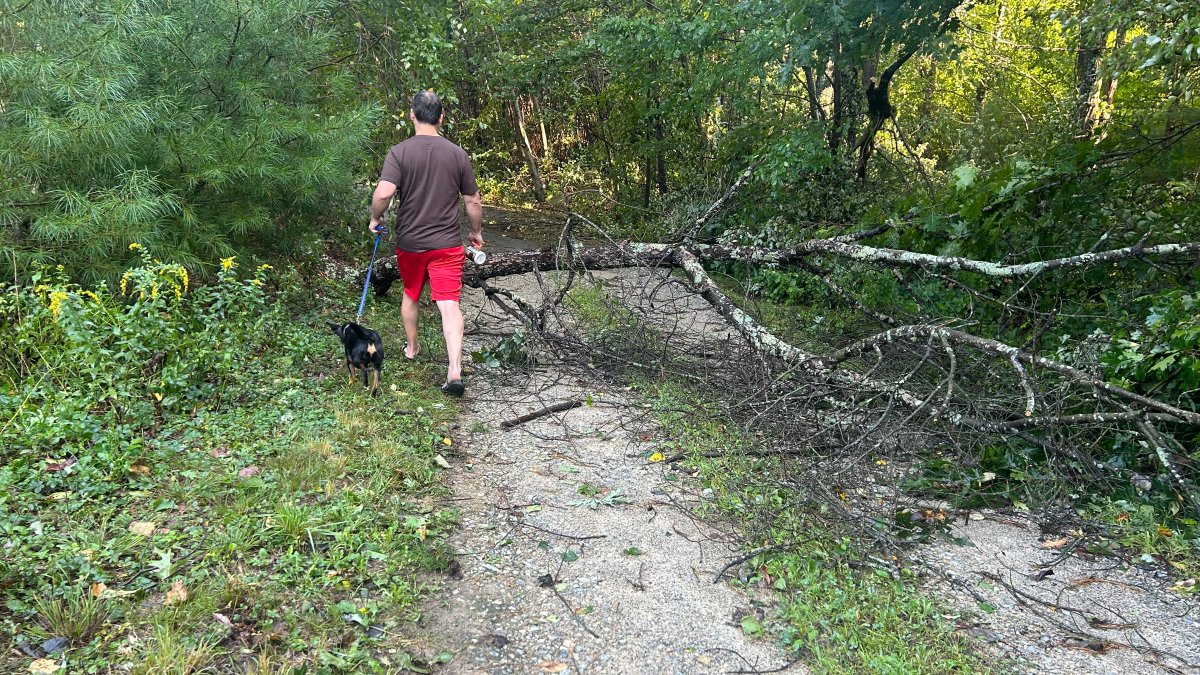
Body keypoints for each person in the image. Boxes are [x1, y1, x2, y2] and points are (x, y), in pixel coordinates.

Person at [369, 90, 484, 396]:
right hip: (447, 244)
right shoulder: (457, 154)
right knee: (449, 304)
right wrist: (476, 232)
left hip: (411, 243)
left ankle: (412, 348)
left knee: (410, 294)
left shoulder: (399, 152)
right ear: (441, 118)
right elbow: (472, 200)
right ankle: (454, 370)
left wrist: (375, 218)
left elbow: (384, 193)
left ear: (412, 115)